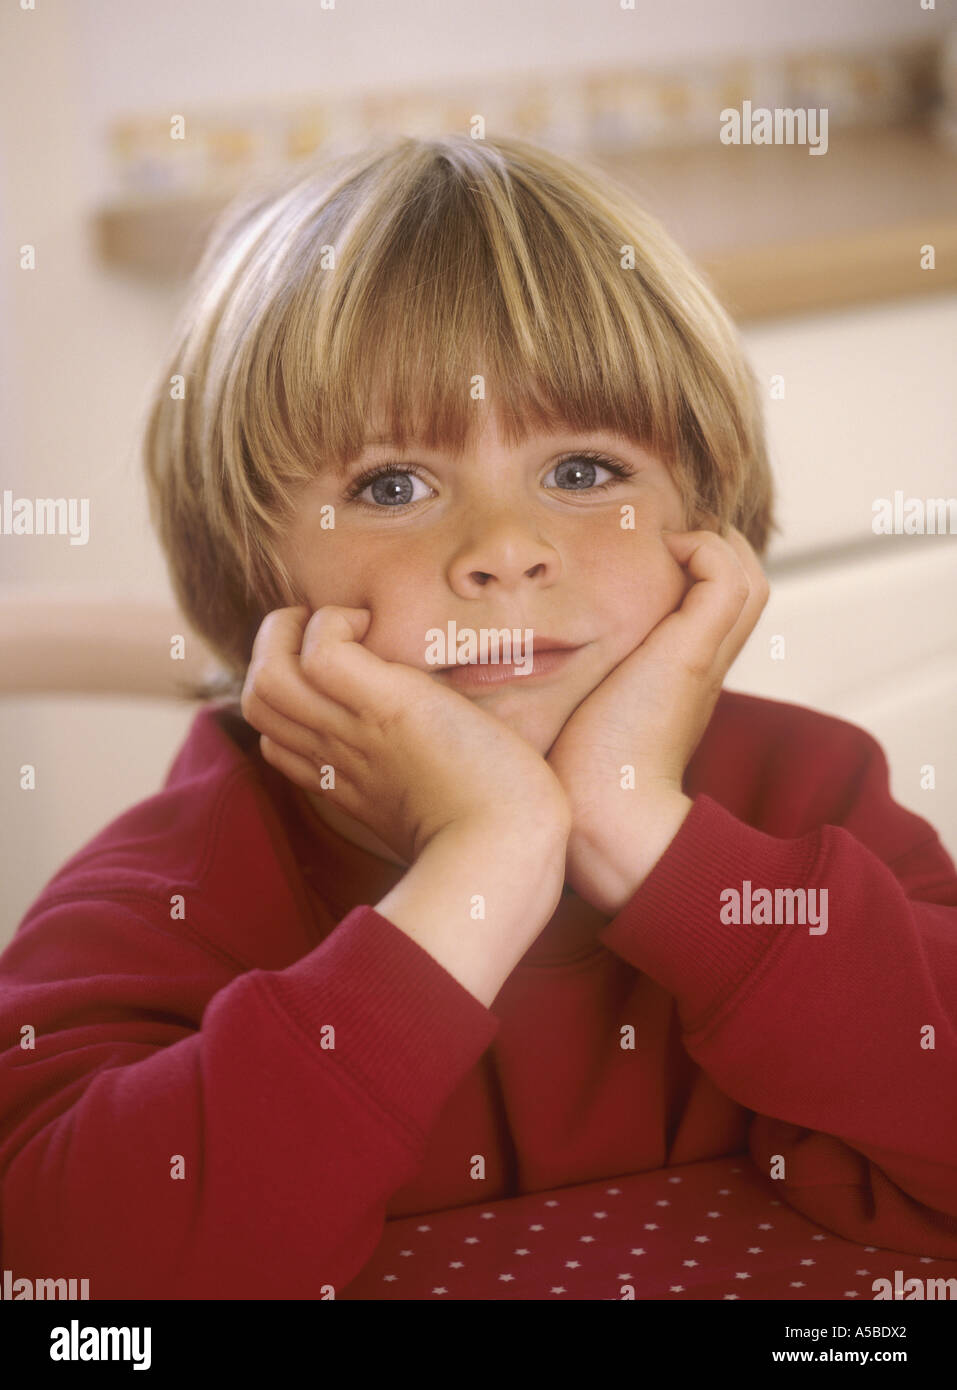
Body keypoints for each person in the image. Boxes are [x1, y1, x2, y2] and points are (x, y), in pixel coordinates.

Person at [1, 133, 955, 1300]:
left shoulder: (808, 793)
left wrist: (631, 828)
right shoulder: (171, 891)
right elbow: (67, 1286)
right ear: (254, 571)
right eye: (392, 486)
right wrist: (486, 859)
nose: (506, 550)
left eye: (585, 471)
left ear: (701, 522)